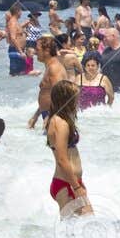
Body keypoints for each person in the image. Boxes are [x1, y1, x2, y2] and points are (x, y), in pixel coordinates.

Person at [46, 81, 90, 216]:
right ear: (66, 99)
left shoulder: (56, 119)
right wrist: (76, 187)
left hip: (70, 182)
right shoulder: (61, 123)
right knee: (77, 230)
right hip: (67, 184)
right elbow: (62, 159)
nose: (78, 101)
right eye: (75, 98)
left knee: (78, 229)